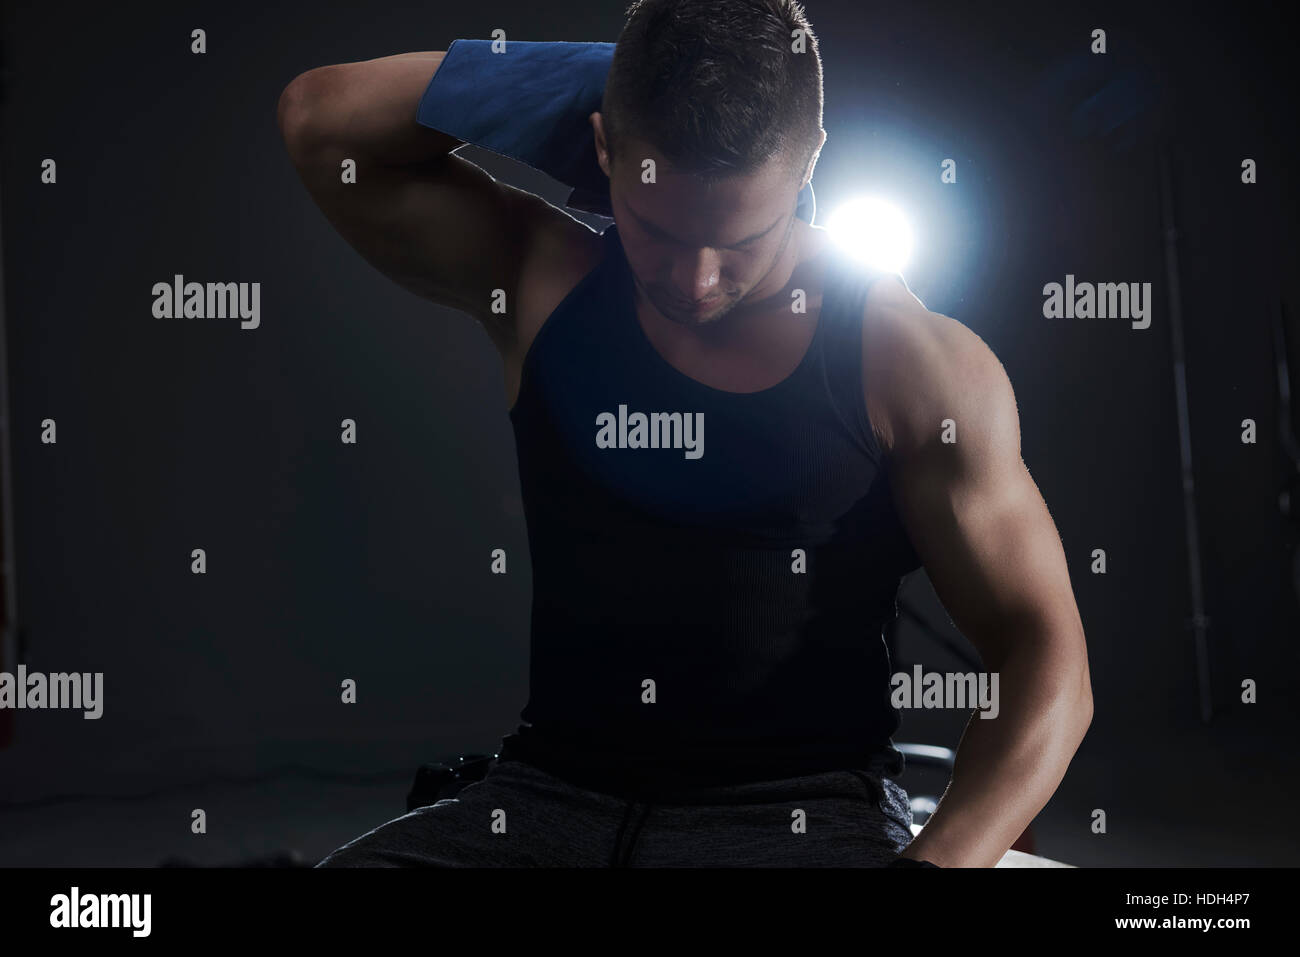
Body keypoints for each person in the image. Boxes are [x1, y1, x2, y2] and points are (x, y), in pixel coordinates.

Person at [279, 0, 1092, 867]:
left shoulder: (906, 360)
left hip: (796, 817)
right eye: (659, 231)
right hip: (544, 802)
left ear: (805, 163)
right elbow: (322, 121)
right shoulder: (543, 278)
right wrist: (619, 79)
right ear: (602, 149)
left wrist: (935, 868)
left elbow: (1046, 655)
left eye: (739, 239)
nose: (696, 280)